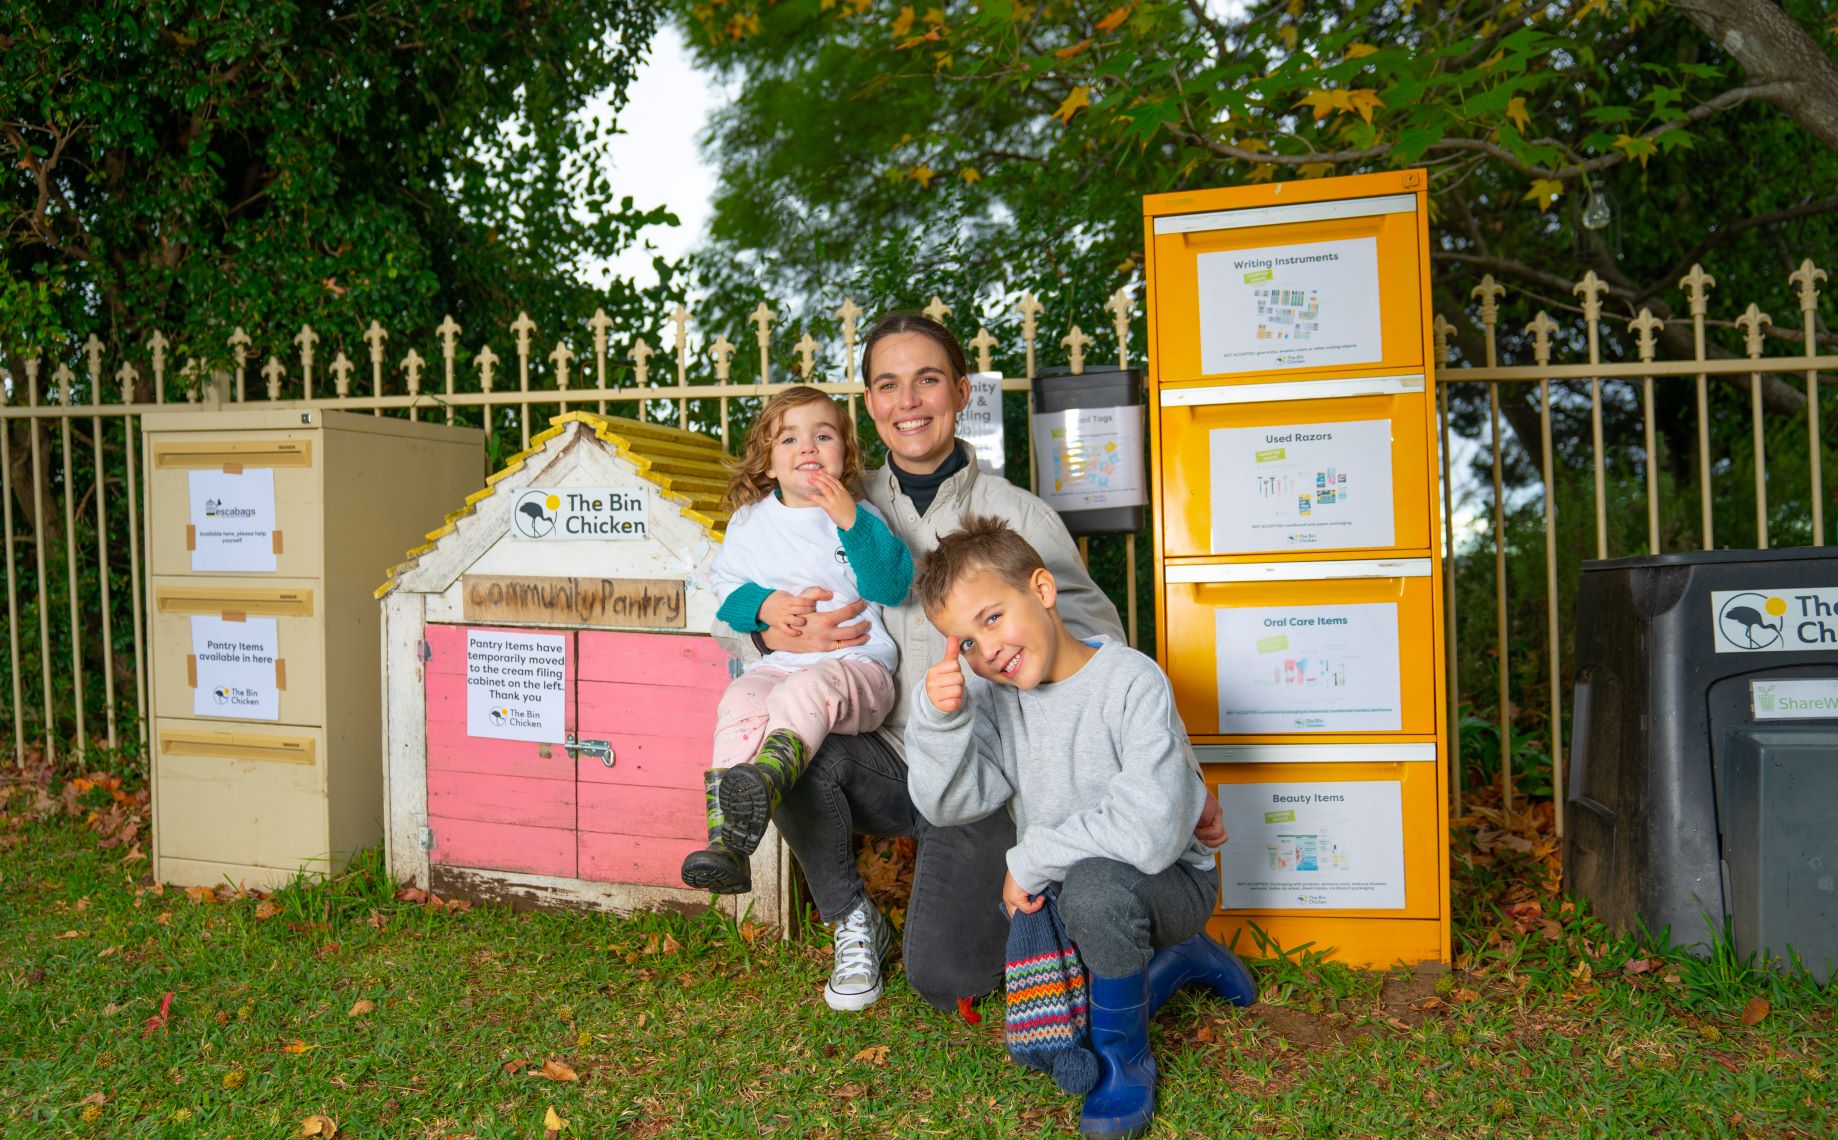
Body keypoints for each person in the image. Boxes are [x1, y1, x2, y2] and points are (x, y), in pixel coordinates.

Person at [715, 312, 1224, 1014]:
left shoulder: (1018, 515)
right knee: (796, 752)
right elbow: (735, 629)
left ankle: (1130, 932)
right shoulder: (832, 512)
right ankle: (853, 919)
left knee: (946, 975)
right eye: (889, 385)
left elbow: (1107, 648)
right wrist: (773, 633)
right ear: (869, 404)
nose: (910, 401)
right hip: (890, 756)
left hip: (988, 775)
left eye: (928, 380)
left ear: (959, 391)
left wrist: (1186, 776)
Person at [906, 516, 1256, 1140]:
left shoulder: (1130, 680)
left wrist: (1030, 857)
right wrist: (937, 721)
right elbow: (948, 804)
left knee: (1096, 891)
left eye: (991, 619)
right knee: (1087, 901)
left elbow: (1149, 831)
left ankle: (1124, 1060)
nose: (986, 651)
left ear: (1041, 589)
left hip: (1169, 880)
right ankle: (1181, 961)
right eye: (964, 642)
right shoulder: (997, 702)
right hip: (1071, 891)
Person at [680, 385, 913, 895]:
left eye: (823, 436)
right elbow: (726, 594)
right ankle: (728, 842)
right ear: (768, 464)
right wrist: (762, 607)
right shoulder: (750, 523)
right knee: (740, 699)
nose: (807, 448)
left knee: (798, 694)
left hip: (857, 669)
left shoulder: (861, 518)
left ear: (845, 458)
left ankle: (766, 780)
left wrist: (849, 519)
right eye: (789, 439)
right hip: (779, 663)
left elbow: (890, 585)